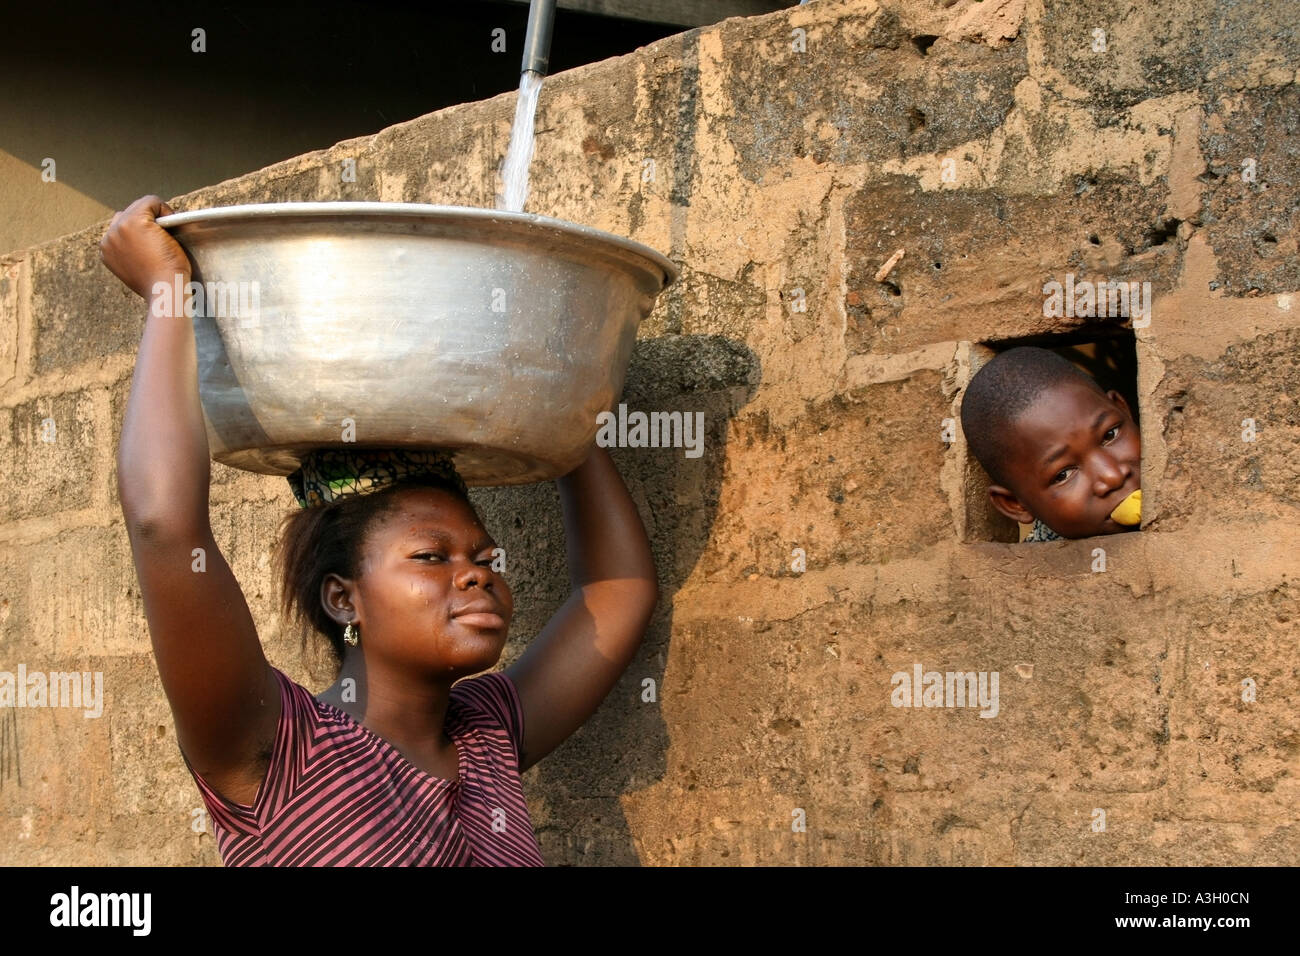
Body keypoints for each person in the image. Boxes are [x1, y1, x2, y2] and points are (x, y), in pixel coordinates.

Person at [100, 195, 658, 865]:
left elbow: (618, 591)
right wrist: (166, 294)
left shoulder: (488, 738)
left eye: (483, 555)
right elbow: (165, 525)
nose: (477, 572)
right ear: (344, 598)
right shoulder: (279, 750)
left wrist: (563, 398)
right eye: (431, 555)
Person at [959, 346, 1141, 542]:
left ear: (1123, 409)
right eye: (1063, 474)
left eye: (1110, 434)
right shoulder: (1036, 572)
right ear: (1015, 504)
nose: (1113, 476)